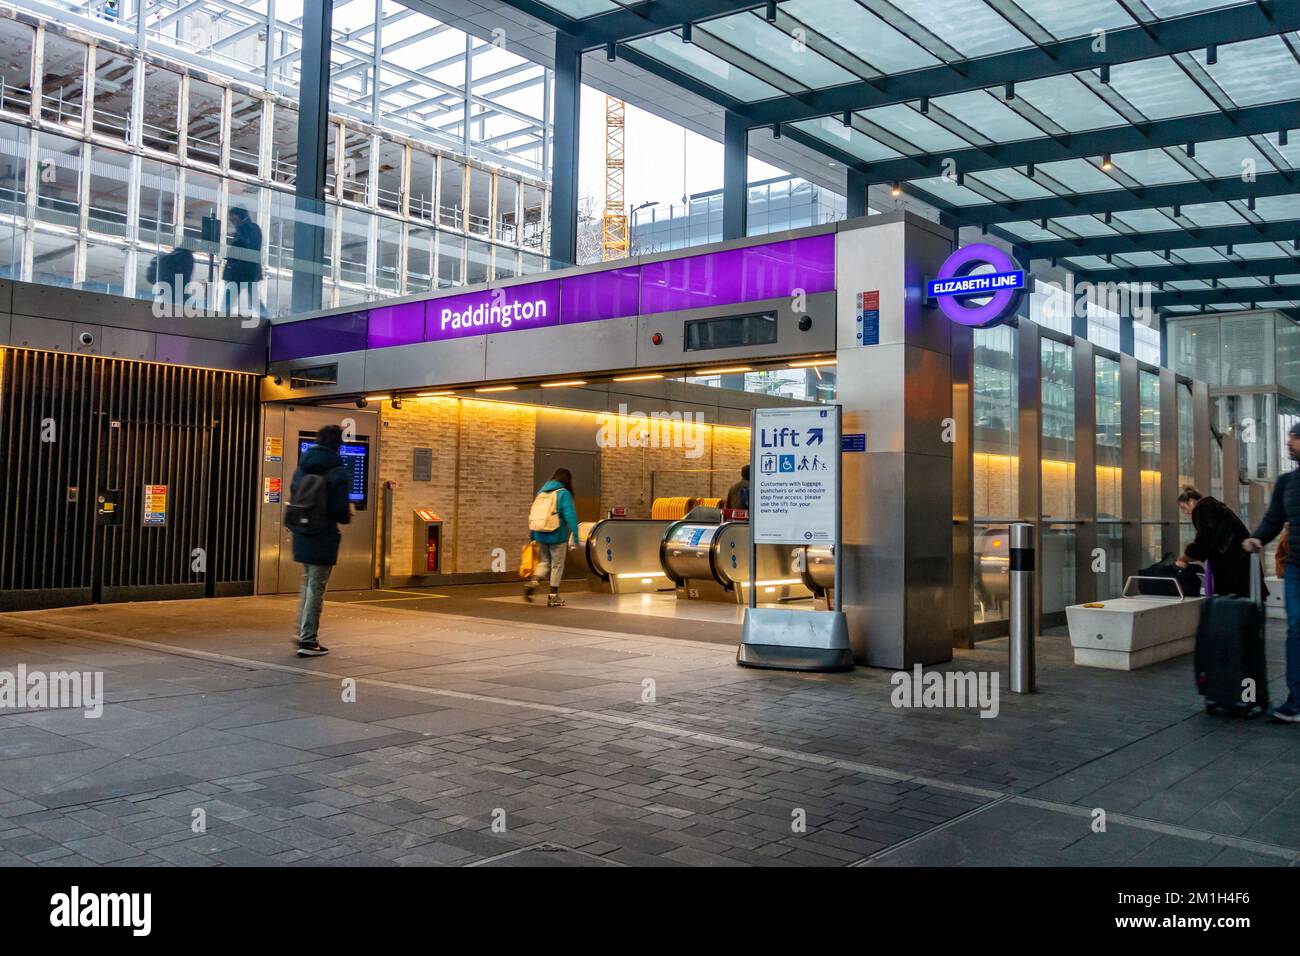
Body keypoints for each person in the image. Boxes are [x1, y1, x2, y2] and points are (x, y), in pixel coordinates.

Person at [1243, 422, 1300, 722]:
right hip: (1296, 568)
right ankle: (1297, 702)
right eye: (1289, 438)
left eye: (1294, 438)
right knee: (1297, 630)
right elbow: (1273, 519)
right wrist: (1258, 537)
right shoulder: (1287, 482)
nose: (1289, 443)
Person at [288, 424, 352, 657]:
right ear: (337, 445)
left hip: (302, 533)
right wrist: (347, 511)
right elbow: (341, 513)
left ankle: (303, 631)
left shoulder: (302, 467)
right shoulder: (336, 471)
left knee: (308, 585)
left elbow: (295, 494)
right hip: (323, 537)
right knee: (316, 588)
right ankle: (308, 640)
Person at [1175, 485, 1252, 597]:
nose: (1186, 512)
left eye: (1184, 508)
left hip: (1231, 563)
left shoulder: (1202, 509)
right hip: (1240, 559)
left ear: (1191, 502)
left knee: (1230, 600)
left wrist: (1184, 558)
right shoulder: (1214, 507)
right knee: (1240, 599)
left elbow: (1204, 539)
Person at [524, 467, 580, 607]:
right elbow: (570, 515)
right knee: (557, 565)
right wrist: (575, 535)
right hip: (556, 535)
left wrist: (532, 536)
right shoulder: (563, 493)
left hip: (540, 534)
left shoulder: (541, 492)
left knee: (544, 562)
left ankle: (533, 582)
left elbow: (533, 514)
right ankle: (553, 596)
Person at [222, 206, 263, 319]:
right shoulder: (245, 230)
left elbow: (250, 247)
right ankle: (223, 319)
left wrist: (240, 229)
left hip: (244, 272)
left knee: (229, 301)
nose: (233, 222)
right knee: (251, 300)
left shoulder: (249, 229)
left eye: (234, 219)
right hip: (241, 272)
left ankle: (222, 320)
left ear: (241, 216)